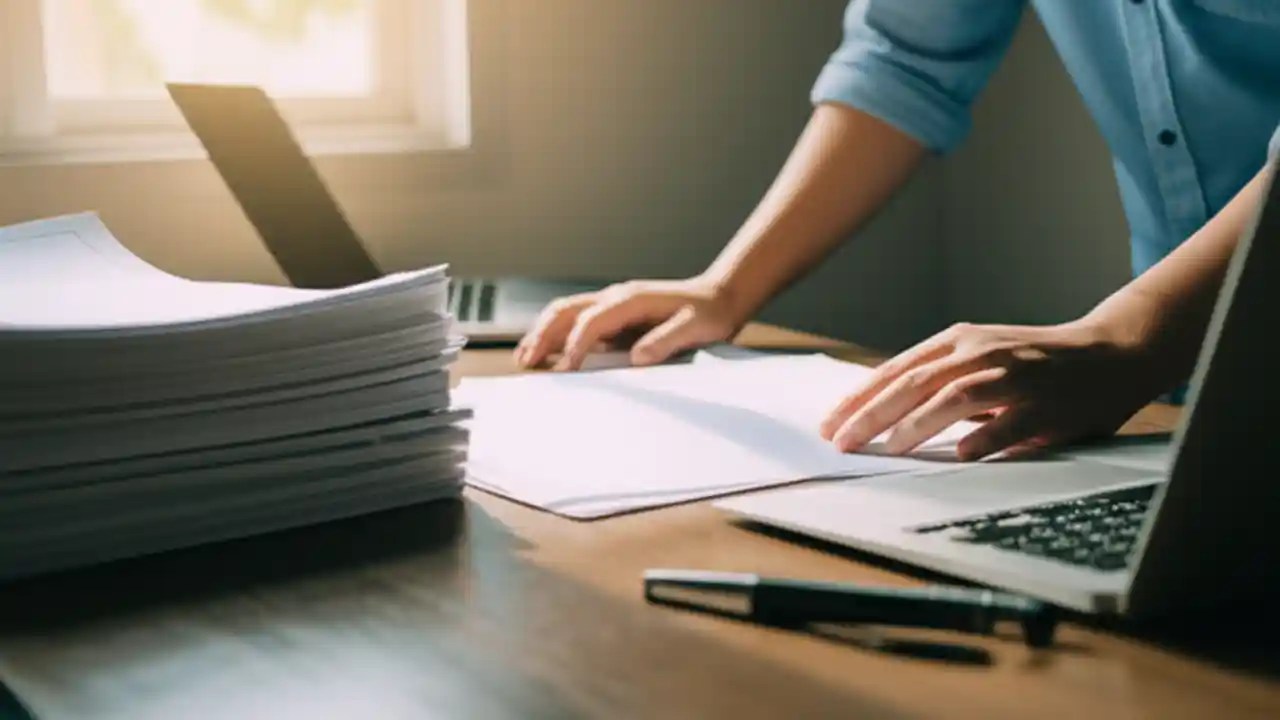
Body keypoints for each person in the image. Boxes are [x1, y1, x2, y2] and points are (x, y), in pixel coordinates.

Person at [515, 1, 1280, 461]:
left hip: (1152, 357)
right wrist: (726, 287)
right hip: (1185, 402)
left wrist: (1131, 338)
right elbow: (904, 61)